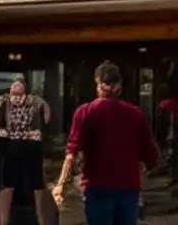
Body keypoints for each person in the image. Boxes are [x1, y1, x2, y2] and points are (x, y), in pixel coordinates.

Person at [52, 61, 160, 225]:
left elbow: (71, 153)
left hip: (97, 186)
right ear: (119, 86)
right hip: (128, 186)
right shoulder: (136, 115)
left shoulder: (85, 112)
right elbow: (151, 155)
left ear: (98, 84)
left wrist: (61, 185)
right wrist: (144, 168)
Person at [0, 77, 52, 225]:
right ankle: (3, 221)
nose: (17, 87)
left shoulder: (33, 100)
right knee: (8, 185)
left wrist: (42, 125)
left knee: (38, 185)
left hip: (31, 144)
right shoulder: (4, 99)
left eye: (20, 85)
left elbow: (46, 110)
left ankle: (42, 220)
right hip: (12, 144)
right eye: (14, 85)